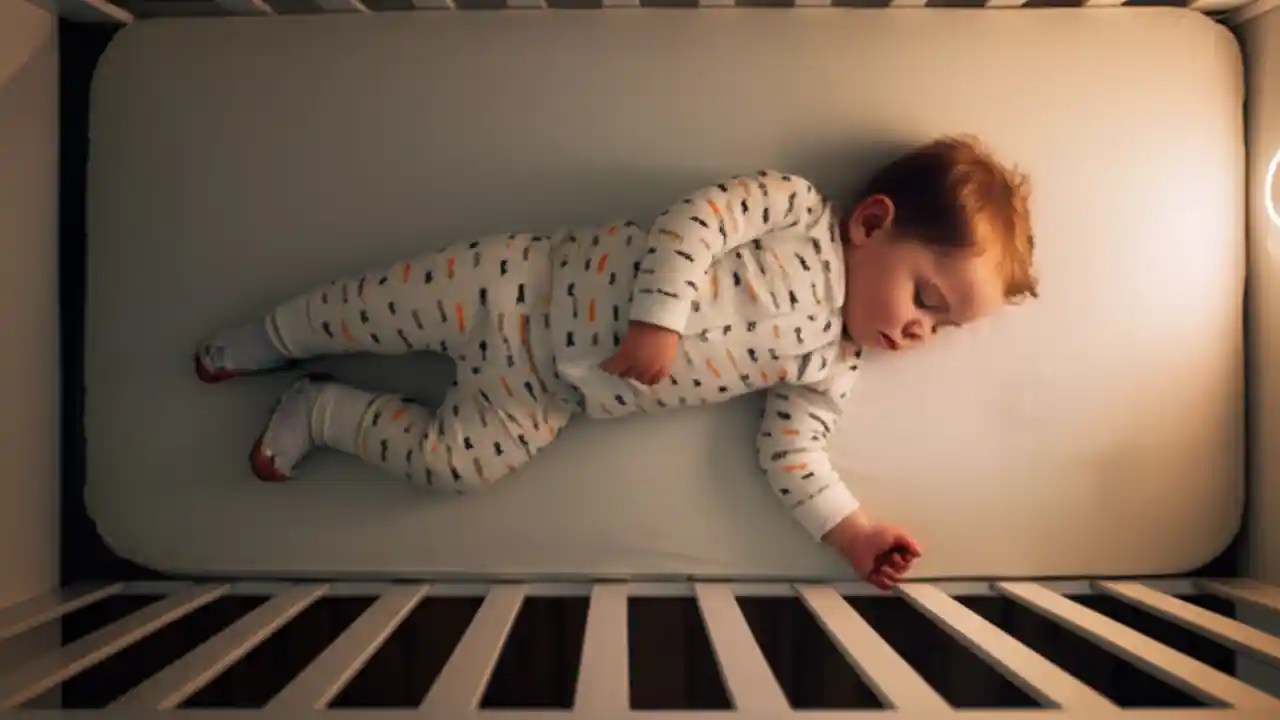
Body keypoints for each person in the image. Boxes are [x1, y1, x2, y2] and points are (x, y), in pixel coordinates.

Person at [194, 135, 1036, 590]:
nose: (921, 333)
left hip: (544, 396)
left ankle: (324, 411)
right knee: (369, 306)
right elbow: (694, 221)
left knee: (453, 466)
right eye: (928, 298)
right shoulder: (796, 211)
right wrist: (658, 320)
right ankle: (276, 337)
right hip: (517, 286)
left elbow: (792, 454)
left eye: (946, 329)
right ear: (872, 223)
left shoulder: (831, 367)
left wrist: (853, 532)